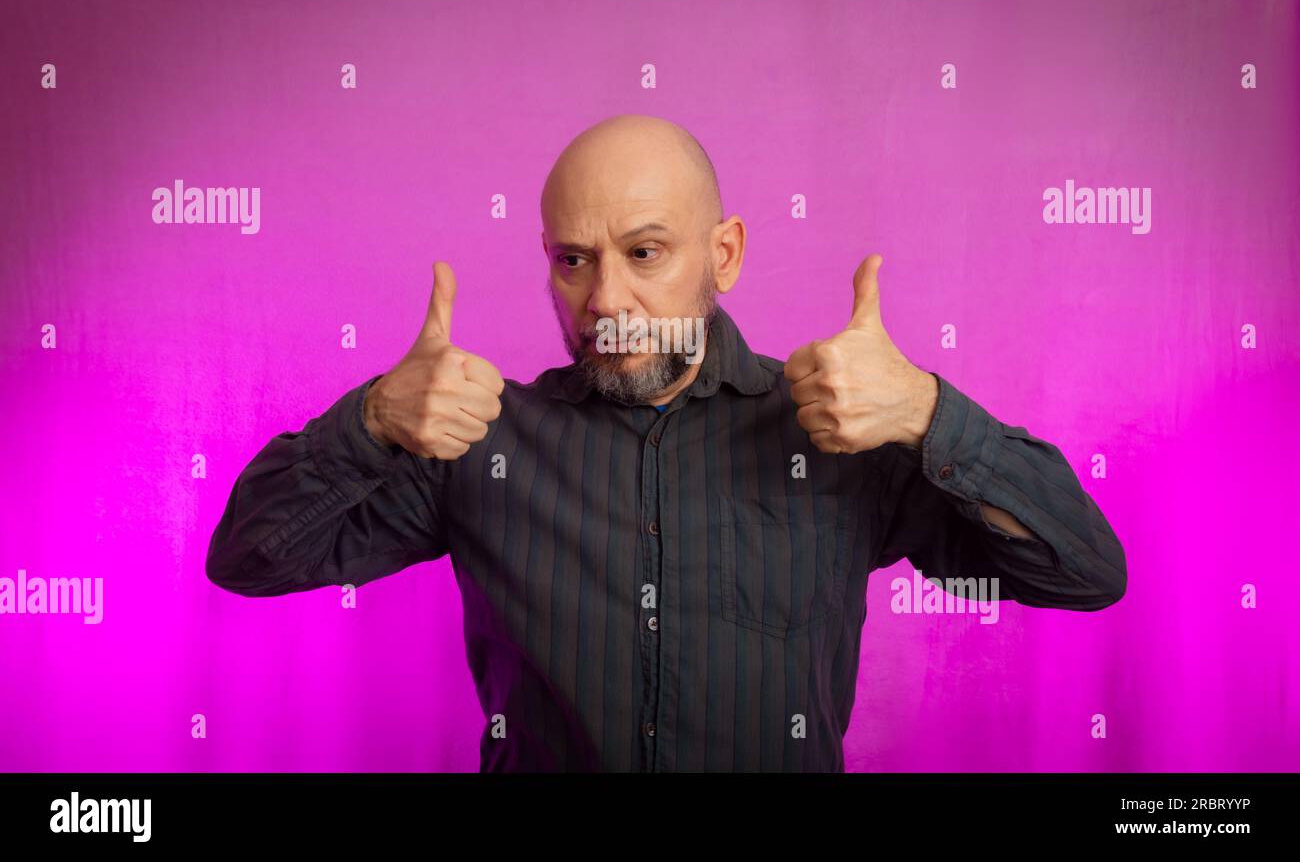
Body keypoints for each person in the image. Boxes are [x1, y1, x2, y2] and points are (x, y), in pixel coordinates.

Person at [206, 113, 1127, 772]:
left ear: (722, 255)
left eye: (645, 253)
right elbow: (247, 556)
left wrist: (930, 412)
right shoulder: (481, 442)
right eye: (573, 260)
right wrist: (369, 423)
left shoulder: (840, 426)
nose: (606, 301)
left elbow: (1084, 570)